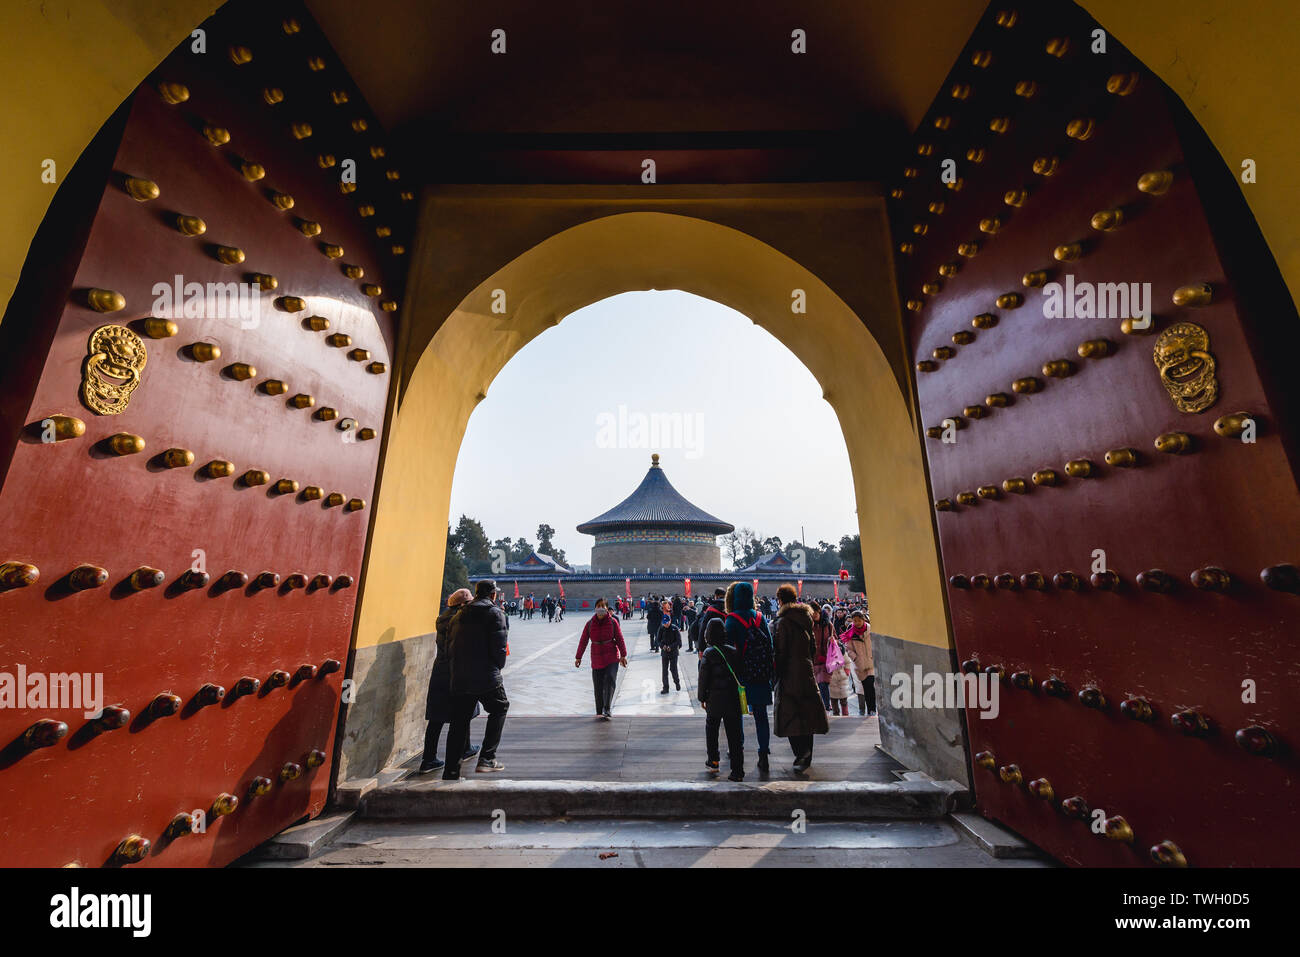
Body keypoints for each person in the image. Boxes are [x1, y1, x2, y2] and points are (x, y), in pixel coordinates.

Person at [443, 579, 510, 778]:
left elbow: (449, 648)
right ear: (493, 595)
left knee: (458, 722)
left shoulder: (458, 615)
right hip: (486, 675)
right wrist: (497, 667)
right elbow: (499, 650)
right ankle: (487, 758)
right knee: (499, 707)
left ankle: (451, 770)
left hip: (460, 676)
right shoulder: (495, 613)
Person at [418, 588, 481, 773]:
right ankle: (465, 749)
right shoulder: (462, 619)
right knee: (464, 711)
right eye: (469, 603)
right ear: (463, 604)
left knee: (436, 718)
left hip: (440, 670)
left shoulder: (442, 618)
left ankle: (428, 758)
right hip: (458, 670)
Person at [772, 583, 829, 773]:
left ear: (780, 600)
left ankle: (800, 753)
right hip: (806, 669)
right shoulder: (806, 620)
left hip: (789, 673)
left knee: (789, 713)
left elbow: (779, 652)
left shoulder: (782, 623)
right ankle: (808, 755)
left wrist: (776, 674)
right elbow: (812, 648)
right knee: (807, 711)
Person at [724, 581, 774, 773]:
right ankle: (763, 754)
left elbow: (728, 650)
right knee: (761, 716)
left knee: (737, 715)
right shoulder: (760, 617)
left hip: (740, 677)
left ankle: (739, 748)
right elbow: (769, 646)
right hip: (760, 675)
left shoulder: (732, 619)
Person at [697, 618, 745, 781]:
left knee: (712, 729)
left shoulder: (709, 653)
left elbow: (703, 678)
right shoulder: (733, 651)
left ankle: (713, 760)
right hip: (732, 699)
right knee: (735, 735)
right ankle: (737, 771)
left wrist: (701, 697)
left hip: (715, 699)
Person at [575, 597, 628, 719]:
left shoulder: (613, 622)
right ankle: (599, 711)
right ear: (595, 608)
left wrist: (623, 655)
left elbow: (620, 639)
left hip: (611, 657)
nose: (600, 609)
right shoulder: (589, 624)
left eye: (603, 606)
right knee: (598, 685)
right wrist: (578, 657)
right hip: (597, 657)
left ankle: (607, 708)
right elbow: (583, 641)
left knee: (610, 679)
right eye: (598, 606)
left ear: (607, 609)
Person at [842, 609, 875, 715]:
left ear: (863, 619)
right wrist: (855, 658)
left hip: (871, 663)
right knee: (866, 687)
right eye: (854, 620)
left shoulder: (870, 630)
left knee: (871, 686)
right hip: (860, 665)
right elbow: (848, 648)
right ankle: (869, 708)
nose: (857, 623)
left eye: (858, 620)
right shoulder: (851, 633)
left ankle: (872, 709)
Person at [812, 604, 836, 711]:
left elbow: (836, 641)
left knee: (823, 683)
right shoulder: (808, 625)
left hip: (825, 659)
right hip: (811, 659)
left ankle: (826, 706)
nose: (813, 615)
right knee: (814, 686)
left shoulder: (829, 625)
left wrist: (833, 640)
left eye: (815, 613)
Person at [827, 628, 853, 716]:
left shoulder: (841, 650)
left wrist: (846, 672)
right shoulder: (827, 652)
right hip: (832, 680)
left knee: (844, 701)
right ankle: (836, 715)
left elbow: (847, 662)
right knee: (834, 702)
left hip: (842, 679)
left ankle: (846, 716)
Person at [657, 609, 682, 694]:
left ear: (670, 621)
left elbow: (678, 641)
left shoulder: (675, 628)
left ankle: (677, 682)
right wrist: (662, 646)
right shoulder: (661, 628)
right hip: (664, 653)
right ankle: (665, 687)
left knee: (673, 669)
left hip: (673, 652)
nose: (666, 624)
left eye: (667, 622)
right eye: (664, 623)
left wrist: (671, 647)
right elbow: (658, 640)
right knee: (664, 670)